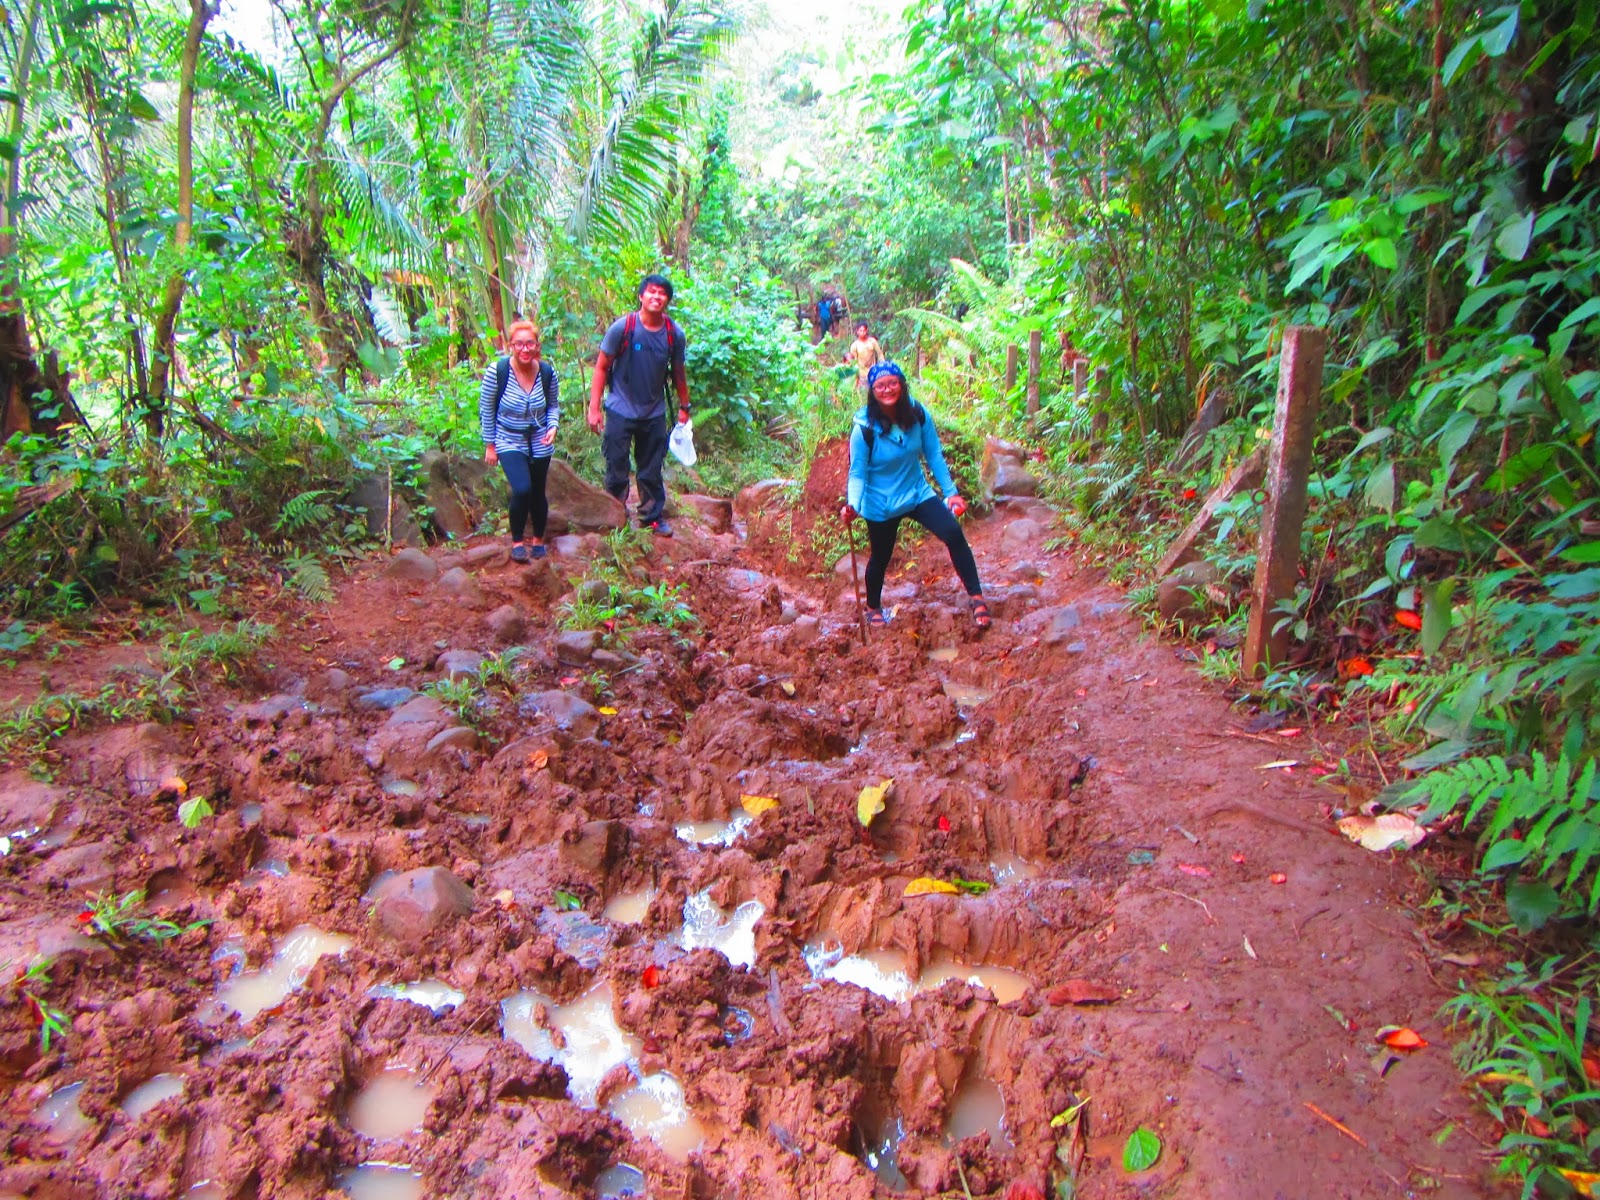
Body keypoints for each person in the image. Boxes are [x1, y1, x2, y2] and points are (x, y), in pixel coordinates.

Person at [840, 362, 990, 629]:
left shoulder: (917, 414)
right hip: (881, 503)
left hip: (916, 492)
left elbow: (933, 454)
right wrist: (853, 504)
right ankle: (873, 606)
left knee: (953, 533)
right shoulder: (863, 429)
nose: (888, 389)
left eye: (893, 383)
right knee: (880, 557)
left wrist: (951, 493)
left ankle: (976, 596)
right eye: (880, 386)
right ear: (872, 391)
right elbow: (858, 473)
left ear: (902, 383)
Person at [588, 274, 690, 537]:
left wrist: (684, 406)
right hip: (620, 408)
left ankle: (651, 517)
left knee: (651, 467)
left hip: (653, 411)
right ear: (641, 296)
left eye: (662, 293)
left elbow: (678, 372)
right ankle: (615, 515)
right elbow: (601, 367)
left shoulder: (673, 334)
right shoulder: (623, 328)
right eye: (652, 292)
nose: (657, 297)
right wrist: (594, 407)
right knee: (616, 464)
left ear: (667, 300)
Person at [480, 320, 559, 562]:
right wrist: (490, 445)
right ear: (511, 346)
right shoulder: (498, 371)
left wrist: (553, 426)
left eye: (530, 344)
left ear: (537, 346)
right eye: (519, 344)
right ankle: (516, 542)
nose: (525, 349)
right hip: (507, 437)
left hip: (539, 437)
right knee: (522, 488)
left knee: (537, 492)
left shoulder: (546, 372)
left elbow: (553, 405)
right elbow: (486, 407)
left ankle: (537, 541)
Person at [843, 321, 885, 394]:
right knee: (865, 392)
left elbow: (880, 354)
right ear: (857, 331)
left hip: (873, 370)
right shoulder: (855, 345)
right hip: (862, 373)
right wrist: (855, 376)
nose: (862, 333)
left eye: (864, 330)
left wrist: (883, 365)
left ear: (867, 330)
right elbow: (853, 361)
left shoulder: (872, 341)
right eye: (860, 331)